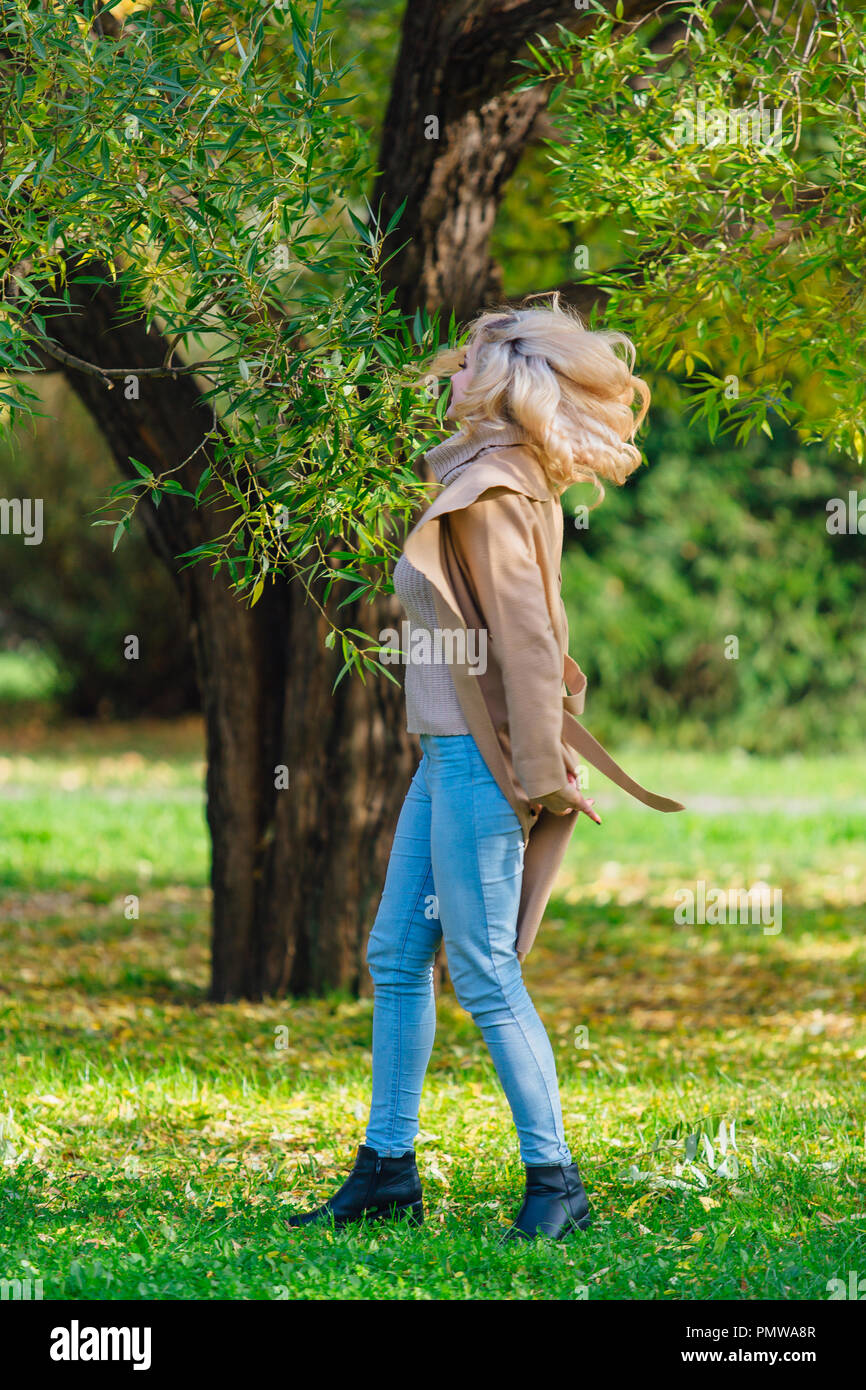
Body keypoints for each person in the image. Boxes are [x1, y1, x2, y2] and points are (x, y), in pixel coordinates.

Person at [287, 298, 683, 1240]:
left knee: (484, 968)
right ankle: (388, 1170)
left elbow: (533, 643)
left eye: (467, 364)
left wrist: (542, 773)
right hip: (446, 755)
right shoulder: (478, 472)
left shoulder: (493, 486)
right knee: (395, 955)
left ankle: (557, 1182)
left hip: (481, 762)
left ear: (501, 382)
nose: (452, 376)